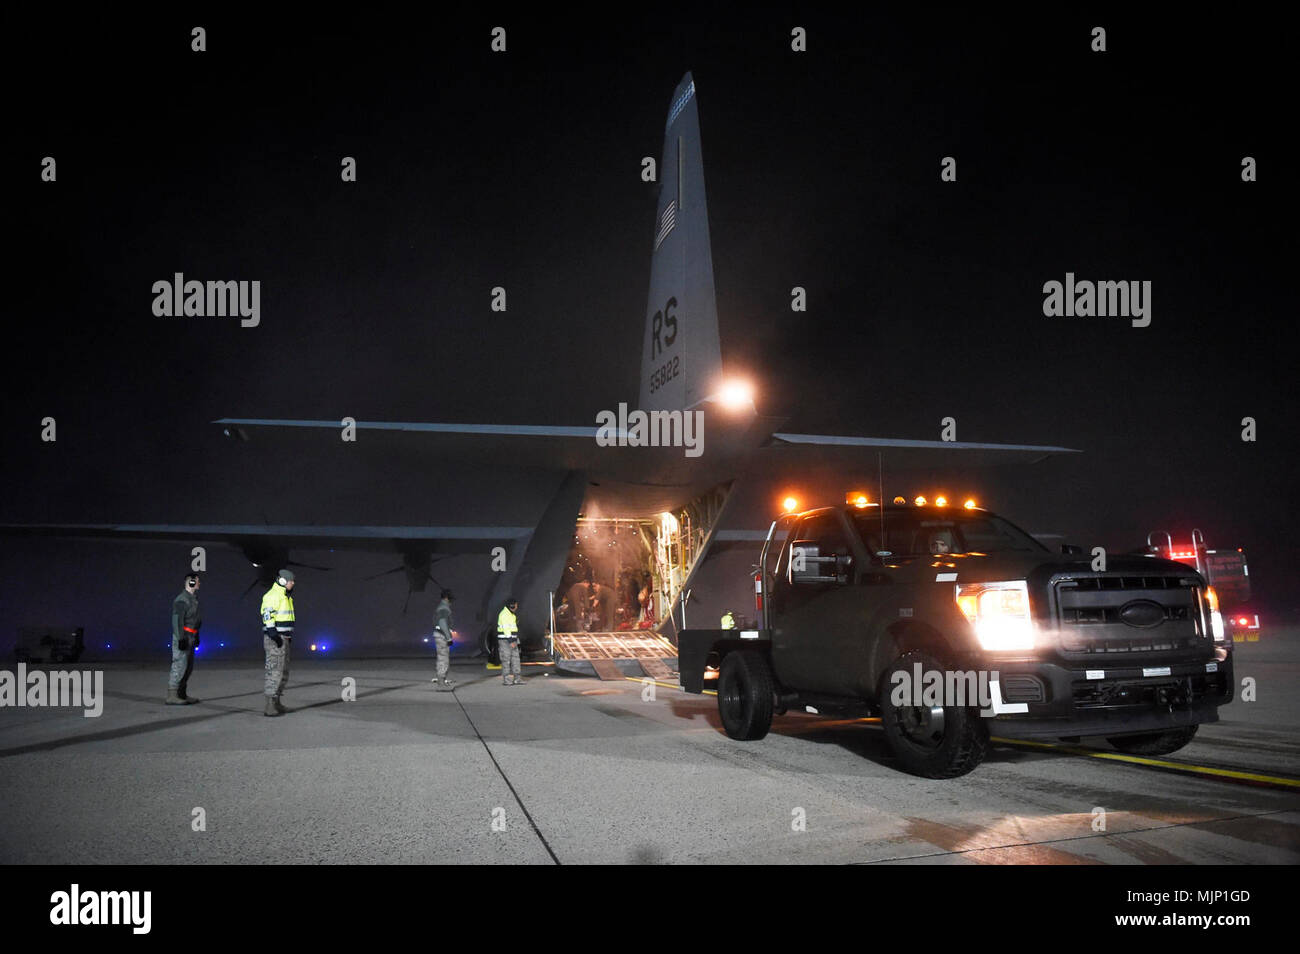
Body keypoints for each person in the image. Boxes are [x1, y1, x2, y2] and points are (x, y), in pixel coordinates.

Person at [260, 569, 296, 716]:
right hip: (276, 638)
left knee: (283, 672)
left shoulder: (285, 596)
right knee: (274, 671)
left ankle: (277, 702)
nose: (293, 583)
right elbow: (267, 614)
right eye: (290, 581)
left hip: (284, 638)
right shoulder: (273, 596)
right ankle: (270, 706)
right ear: (282, 581)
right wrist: (273, 633)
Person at [166, 573, 202, 705]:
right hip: (183, 636)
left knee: (188, 666)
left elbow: (195, 620)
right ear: (191, 582)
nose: (199, 584)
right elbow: (177, 620)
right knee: (179, 664)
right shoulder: (182, 599)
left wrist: (196, 636)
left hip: (191, 635)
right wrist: (181, 638)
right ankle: (172, 695)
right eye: (197, 581)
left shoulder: (193, 599)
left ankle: (182, 694)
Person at [431, 589, 456, 690]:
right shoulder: (444, 608)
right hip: (442, 636)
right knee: (443, 660)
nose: (451, 601)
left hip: (440, 635)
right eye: (450, 598)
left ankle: (442, 682)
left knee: (442, 659)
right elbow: (442, 622)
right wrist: (448, 637)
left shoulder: (442, 607)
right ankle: (441, 684)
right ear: (446, 598)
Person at [497, 597, 523, 686]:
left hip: (513, 640)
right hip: (506, 641)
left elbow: (513, 628)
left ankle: (517, 679)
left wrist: (515, 640)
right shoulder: (504, 614)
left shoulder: (511, 615)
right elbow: (506, 629)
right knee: (506, 660)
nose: (517, 607)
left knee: (516, 659)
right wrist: (511, 640)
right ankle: (507, 680)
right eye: (516, 605)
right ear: (512, 605)